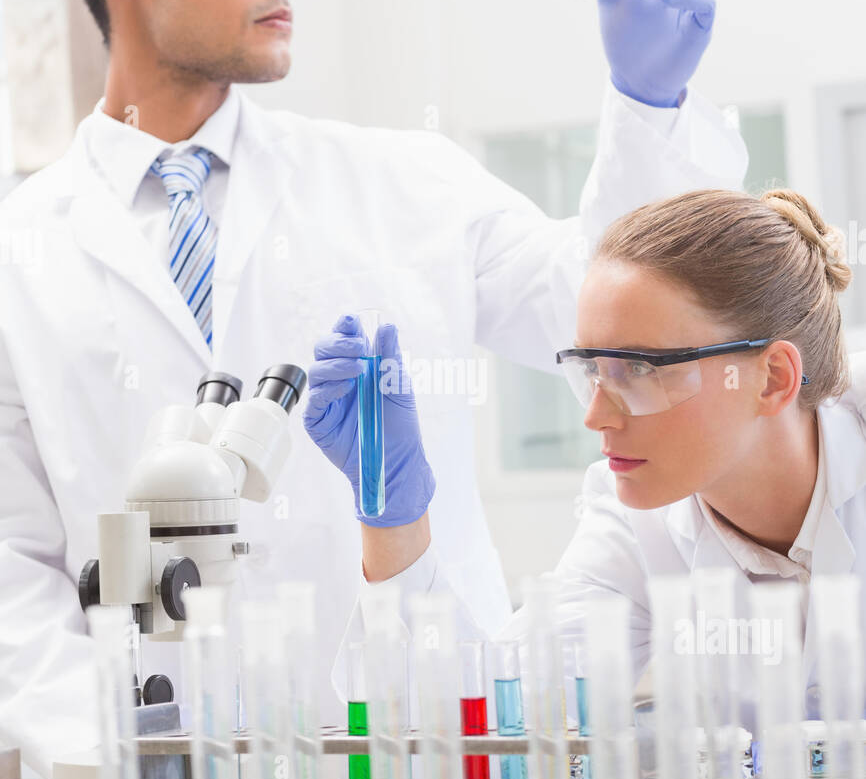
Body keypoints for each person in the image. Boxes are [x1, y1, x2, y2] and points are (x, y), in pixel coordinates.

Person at [0, 0, 745, 779]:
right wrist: (107, 760)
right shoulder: (23, 250)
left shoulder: (404, 179)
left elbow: (594, 307)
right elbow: (15, 561)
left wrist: (646, 105)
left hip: (419, 752)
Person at [308, 186, 864, 717]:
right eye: (593, 370)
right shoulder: (636, 530)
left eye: (640, 369)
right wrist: (393, 521)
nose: (595, 416)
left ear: (772, 378)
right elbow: (494, 723)